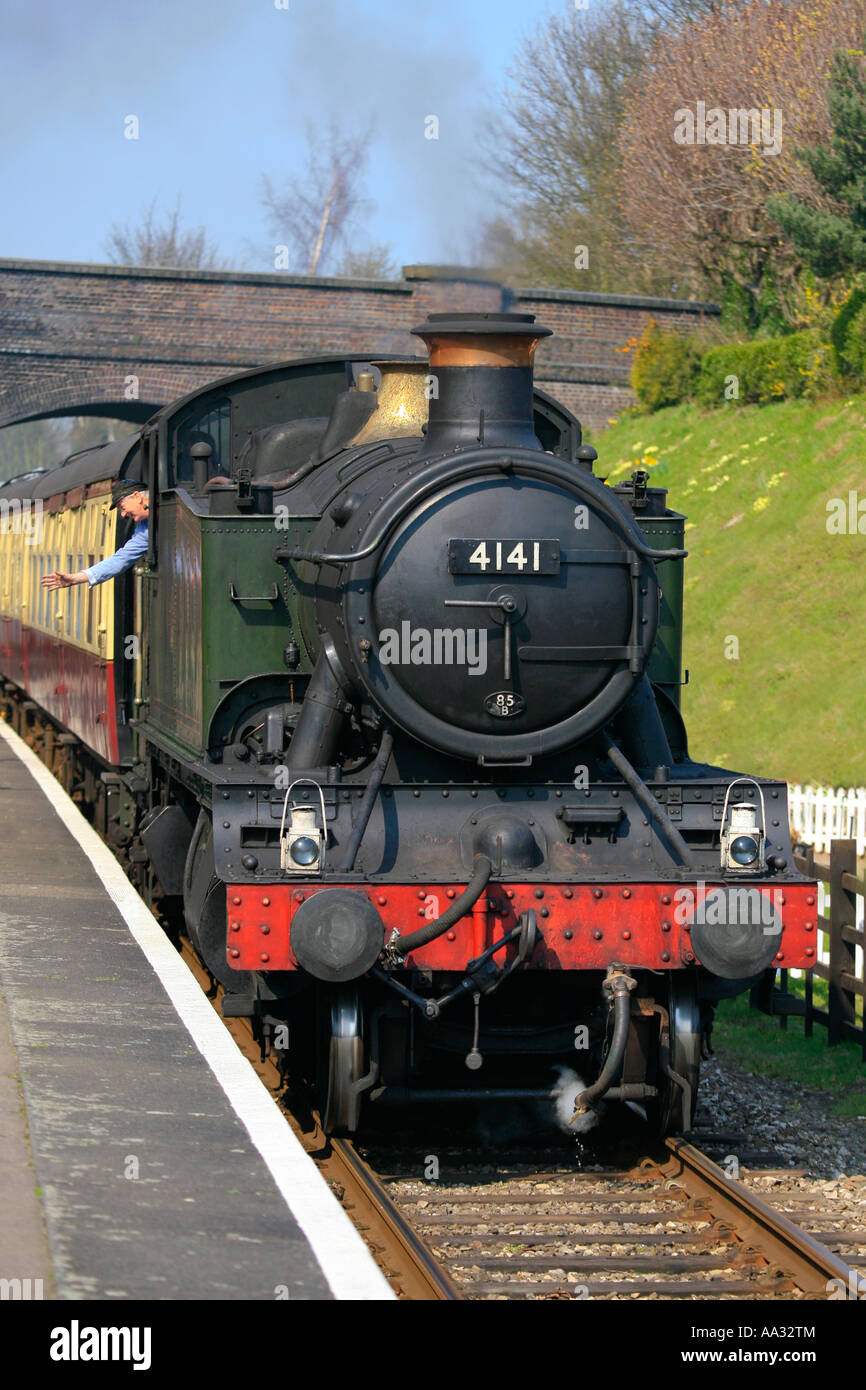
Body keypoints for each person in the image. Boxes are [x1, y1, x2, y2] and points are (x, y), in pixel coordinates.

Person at [42, 480, 149, 591]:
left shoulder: (147, 526)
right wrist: (75, 578)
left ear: (137, 496)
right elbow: (122, 558)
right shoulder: (144, 529)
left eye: (122, 507)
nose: (123, 514)